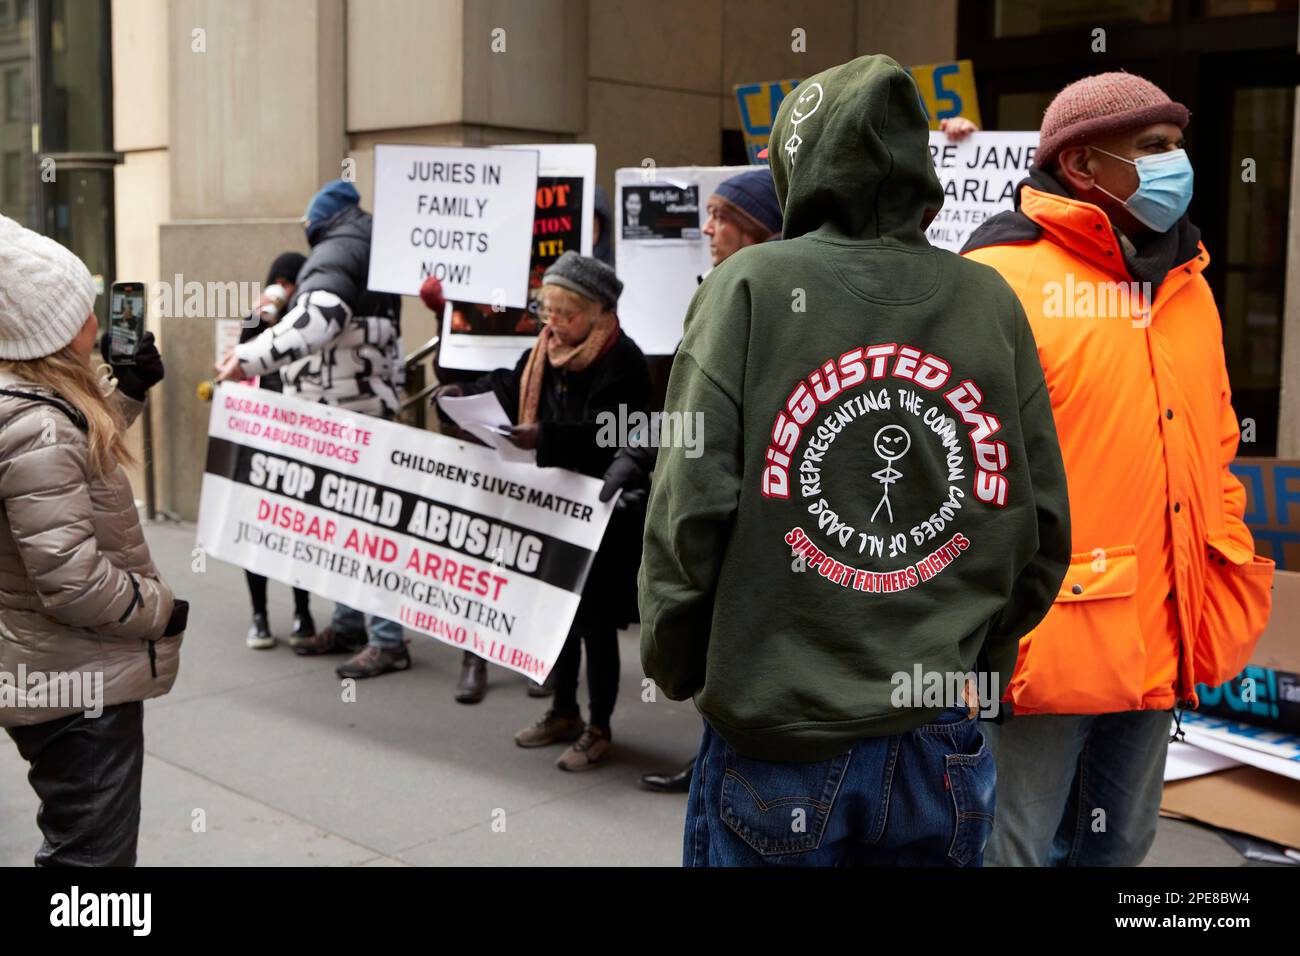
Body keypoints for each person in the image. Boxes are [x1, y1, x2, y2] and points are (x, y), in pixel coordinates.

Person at [639, 55, 1071, 866]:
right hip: (939, 736)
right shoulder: (988, 300)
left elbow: (690, 506)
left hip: (780, 729)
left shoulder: (749, 288)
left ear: (795, 164)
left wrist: (677, 657)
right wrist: (972, 661)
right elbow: (1040, 527)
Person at [960, 72, 1275, 867]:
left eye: (1178, 145)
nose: (1178, 164)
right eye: (1154, 148)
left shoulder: (1188, 281)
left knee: (1122, 845)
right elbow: (959, 471)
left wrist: (1219, 544)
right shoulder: (1001, 277)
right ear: (1081, 165)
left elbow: (1214, 444)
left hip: (1163, 630)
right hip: (1044, 643)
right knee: (1017, 850)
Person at [0, 214, 187, 866]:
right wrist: (159, 609)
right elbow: (72, 579)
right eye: (82, 305)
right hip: (77, 685)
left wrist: (125, 391)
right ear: (49, 327)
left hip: (61, 675)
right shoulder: (34, 423)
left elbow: (69, 465)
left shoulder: (31, 404)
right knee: (91, 871)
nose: (97, 315)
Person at [434, 252, 650, 770]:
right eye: (546, 312)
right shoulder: (544, 351)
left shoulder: (623, 359)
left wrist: (546, 436)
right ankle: (562, 711)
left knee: (596, 624)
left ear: (598, 312)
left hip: (603, 514)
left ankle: (599, 727)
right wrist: (464, 394)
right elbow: (508, 389)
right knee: (558, 617)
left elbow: (618, 433)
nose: (553, 324)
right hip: (551, 509)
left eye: (565, 315)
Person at [216, 179, 409, 680]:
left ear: (319, 224)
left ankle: (387, 639)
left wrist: (247, 358)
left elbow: (319, 319)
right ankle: (350, 624)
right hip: (355, 411)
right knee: (352, 528)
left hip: (351, 417)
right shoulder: (366, 246)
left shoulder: (339, 249)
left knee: (370, 531)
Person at [630, 166, 783, 794]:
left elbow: (695, 493)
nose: (708, 228)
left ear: (757, 229)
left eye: (723, 217)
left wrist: (668, 646)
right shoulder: (731, 290)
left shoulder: (751, 299)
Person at [238, 251, 315, 651]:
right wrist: (258, 316)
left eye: (291, 283)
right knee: (257, 527)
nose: (285, 290)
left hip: (297, 437)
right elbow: (241, 360)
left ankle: (304, 611)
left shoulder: (308, 321)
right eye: (281, 282)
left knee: (296, 528)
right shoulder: (258, 319)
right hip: (259, 436)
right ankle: (259, 614)